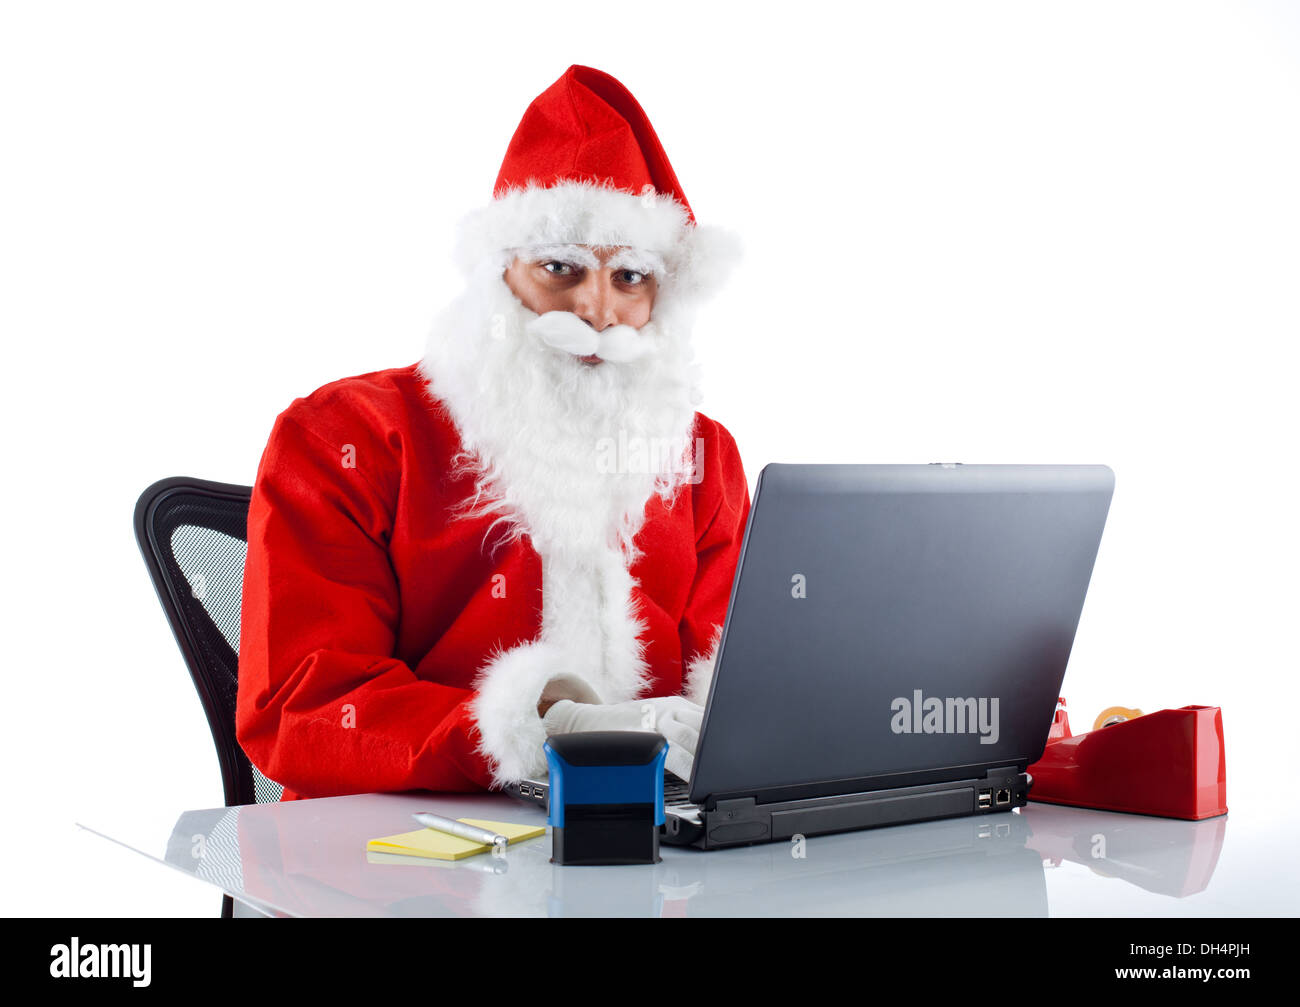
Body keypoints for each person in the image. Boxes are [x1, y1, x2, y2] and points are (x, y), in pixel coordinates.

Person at [236, 64, 748, 799]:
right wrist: (550, 729)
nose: (598, 312)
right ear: (498, 276)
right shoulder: (345, 437)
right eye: (561, 268)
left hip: (651, 843)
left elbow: (735, 679)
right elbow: (302, 706)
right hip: (398, 845)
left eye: (631, 277)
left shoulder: (702, 458)